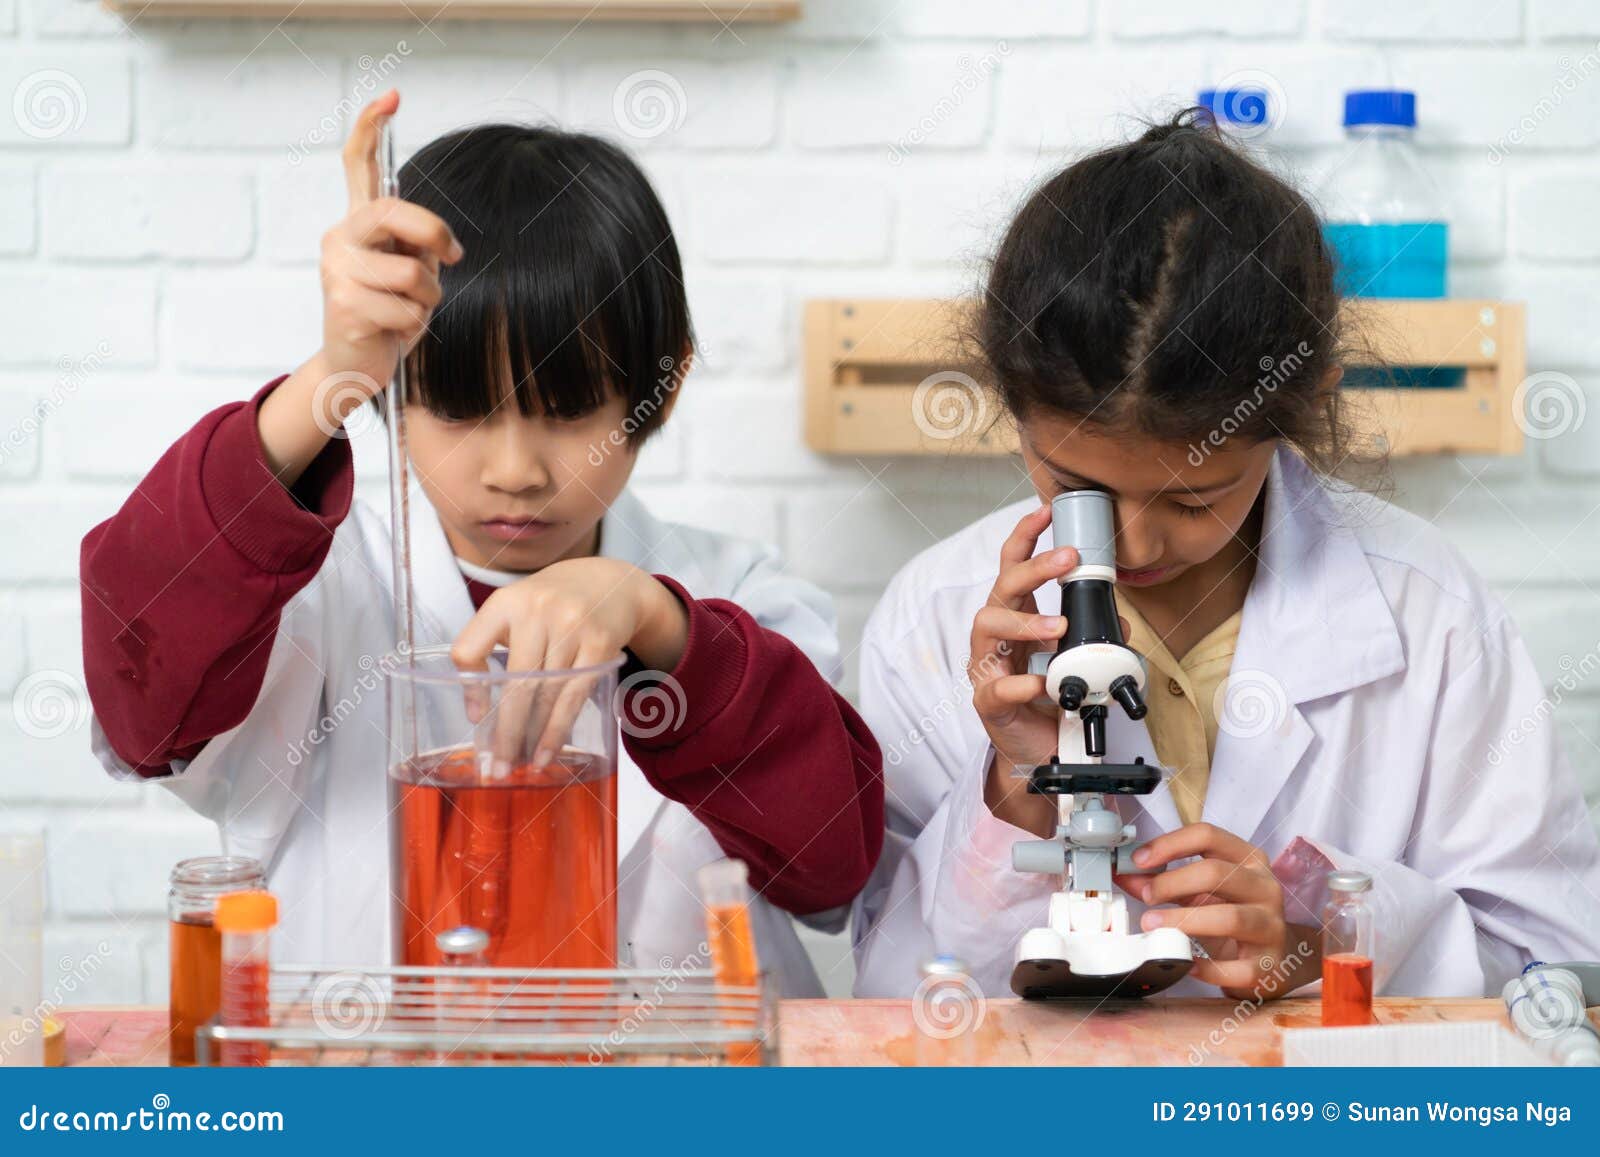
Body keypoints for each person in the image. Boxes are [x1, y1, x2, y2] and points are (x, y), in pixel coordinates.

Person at [81, 92, 882, 997]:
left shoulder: (734, 596)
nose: (514, 471)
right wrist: (327, 378)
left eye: (569, 411)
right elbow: (139, 704)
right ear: (390, 390)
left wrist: (661, 624)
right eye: (460, 409)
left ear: (663, 384)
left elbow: (831, 867)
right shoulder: (310, 588)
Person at [851, 110, 1600, 1000]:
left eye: (1192, 497)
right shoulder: (932, 616)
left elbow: (1554, 970)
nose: (1129, 546)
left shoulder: (1427, 610)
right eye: (1077, 488)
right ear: (1015, 413)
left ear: (1304, 406)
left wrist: (1324, 941)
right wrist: (1020, 783)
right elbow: (898, 991)